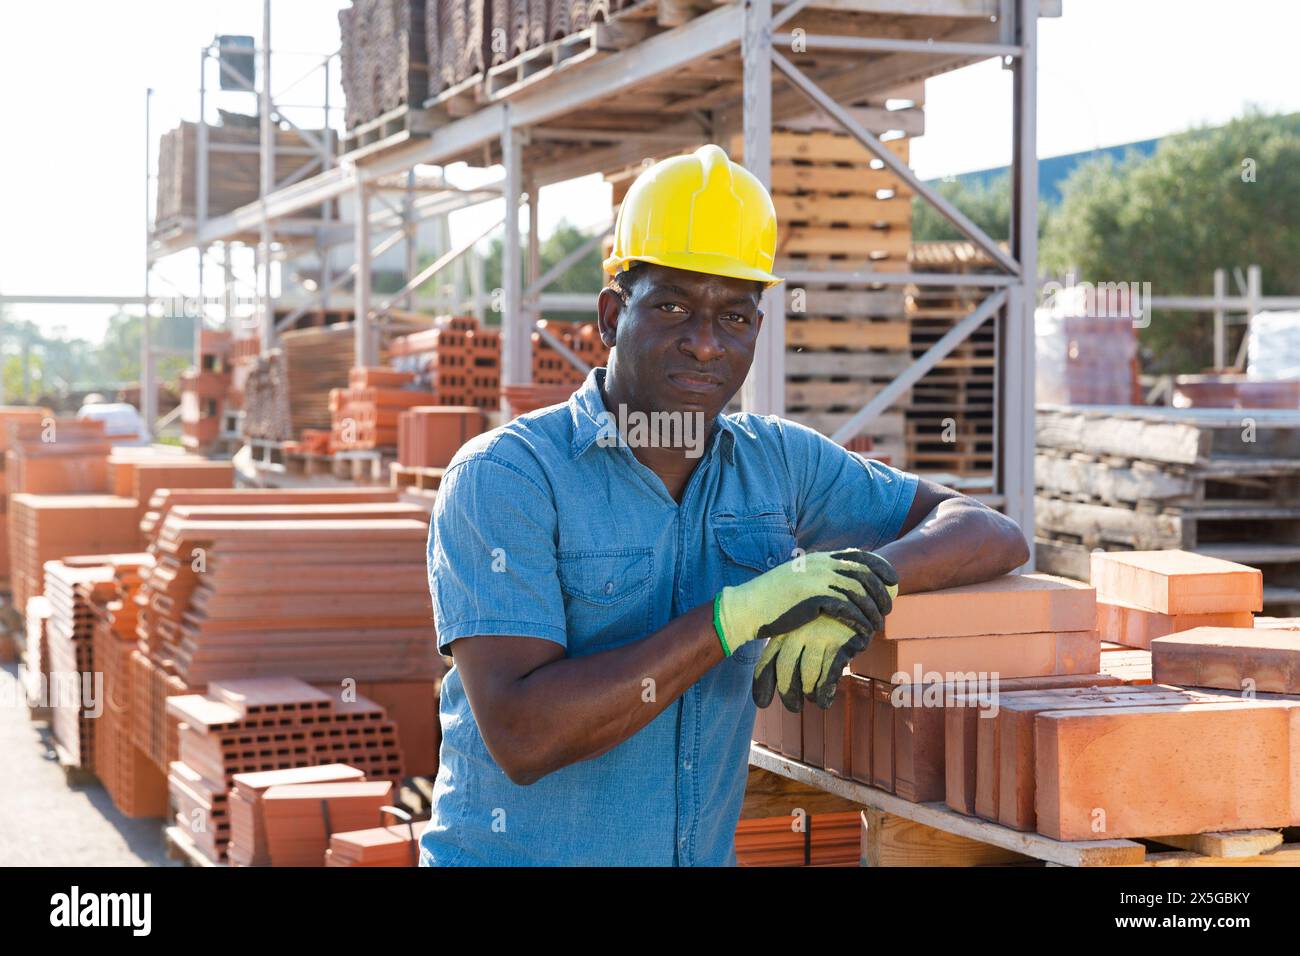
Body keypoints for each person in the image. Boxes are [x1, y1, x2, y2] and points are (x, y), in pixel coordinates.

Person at [419, 144, 1028, 866]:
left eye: (734, 317)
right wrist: (738, 614)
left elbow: (989, 531)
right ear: (613, 316)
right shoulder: (507, 478)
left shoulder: (775, 460)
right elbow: (523, 736)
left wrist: (862, 583)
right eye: (673, 306)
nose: (706, 345)